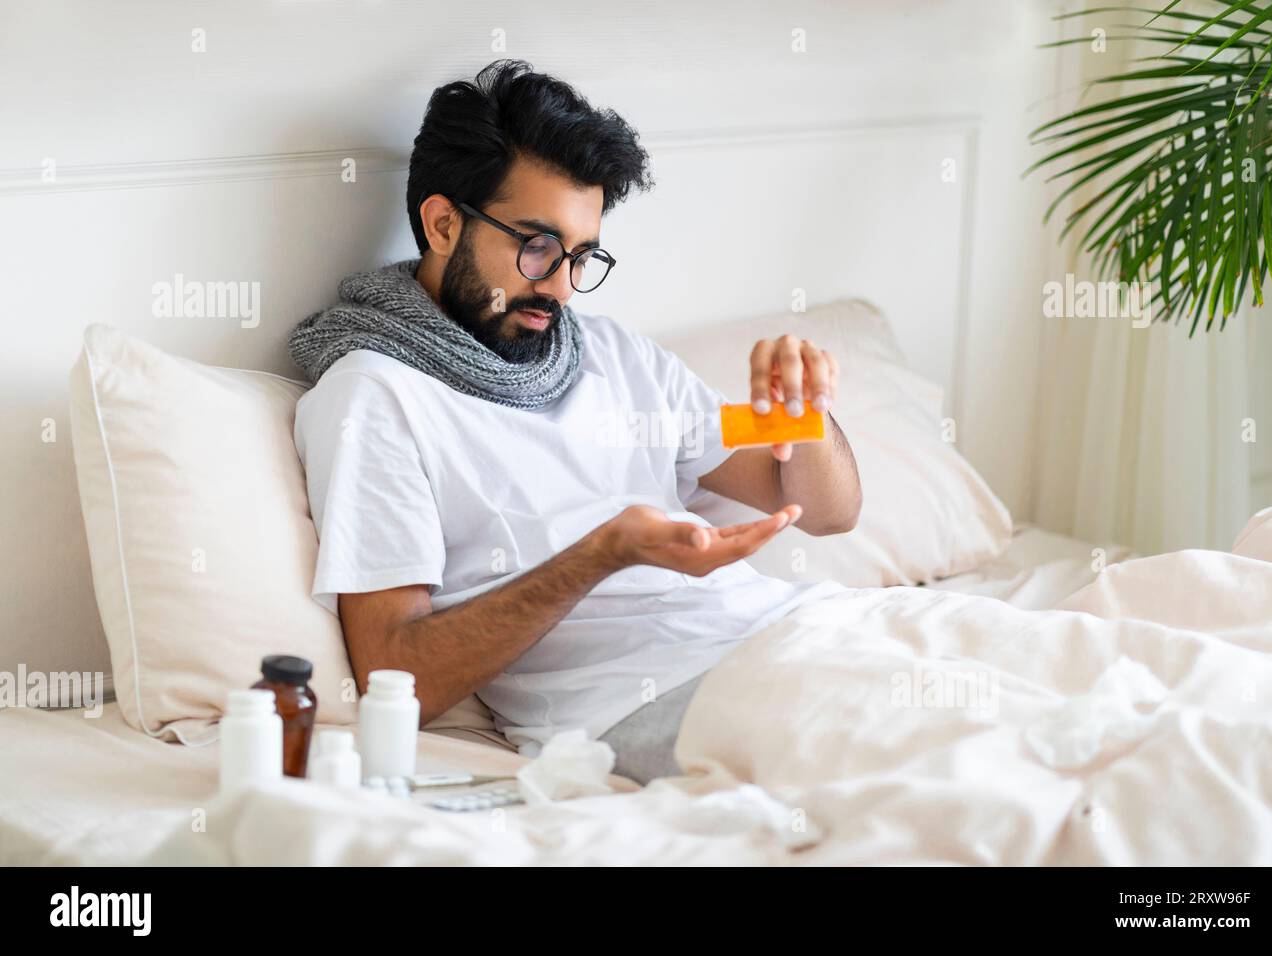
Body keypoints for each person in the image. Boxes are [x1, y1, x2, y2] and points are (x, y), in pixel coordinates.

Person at [289, 60, 862, 784]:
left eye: (582, 256)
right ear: (442, 224)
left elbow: (830, 512)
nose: (561, 286)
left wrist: (805, 416)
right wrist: (601, 554)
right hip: (664, 696)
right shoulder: (374, 396)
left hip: (808, 627)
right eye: (536, 246)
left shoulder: (615, 355)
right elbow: (397, 677)